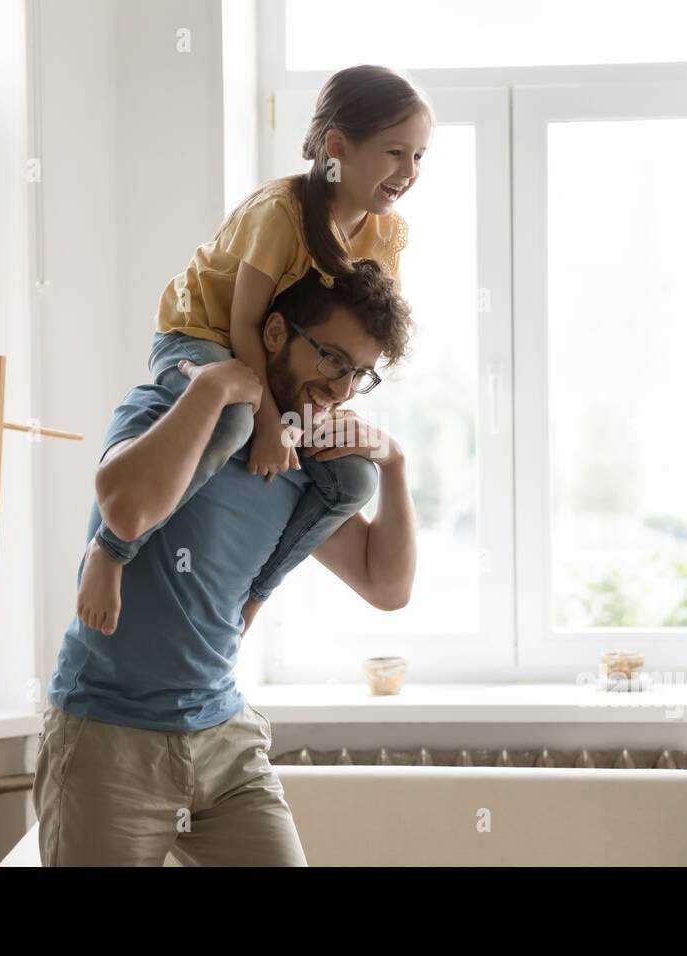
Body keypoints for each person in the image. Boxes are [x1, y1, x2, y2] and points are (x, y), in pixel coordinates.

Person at [35, 262, 417, 865]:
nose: (343, 388)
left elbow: (387, 586)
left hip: (225, 738)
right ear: (273, 334)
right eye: (333, 360)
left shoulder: (302, 464)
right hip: (109, 738)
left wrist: (393, 464)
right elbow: (127, 509)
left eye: (360, 374)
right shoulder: (171, 406)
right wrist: (212, 388)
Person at [74, 64, 434, 636]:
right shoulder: (280, 212)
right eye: (395, 153)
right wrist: (270, 423)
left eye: (419, 156)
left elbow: (369, 327)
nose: (408, 171)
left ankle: (257, 595)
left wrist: (342, 425)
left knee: (354, 478)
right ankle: (111, 550)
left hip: (267, 359)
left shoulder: (386, 234)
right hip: (201, 338)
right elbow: (245, 326)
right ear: (338, 147)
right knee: (233, 417)